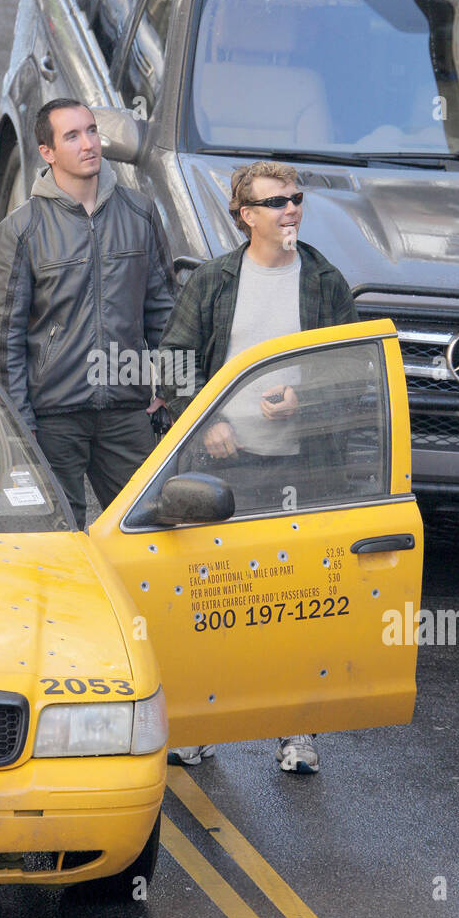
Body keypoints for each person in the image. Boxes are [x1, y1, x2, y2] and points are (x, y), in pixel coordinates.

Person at [157, 159, 359, 774]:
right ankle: (203, 725)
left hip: (303, 465)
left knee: (298, 602)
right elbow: (173, 361)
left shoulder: (324, 281)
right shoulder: (217, 281)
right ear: (245, 216)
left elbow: (352, 367)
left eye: (295, 199)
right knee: (217, 597)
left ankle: (295, 732)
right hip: (228, 467)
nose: (291, 209)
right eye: (275, 202)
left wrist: (308, 398)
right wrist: (209, 419)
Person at [0, 99, 174, 529]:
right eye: (72, 136)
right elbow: (2, 336)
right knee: (57, 535)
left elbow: (164, 313)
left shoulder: (140, 213)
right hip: (53, 418)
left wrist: (170, 389)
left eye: (91, 131)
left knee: (151, 527)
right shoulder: (21, 229)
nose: (88, 143)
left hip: (128, 410)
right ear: (47, 152)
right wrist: (19, 421)